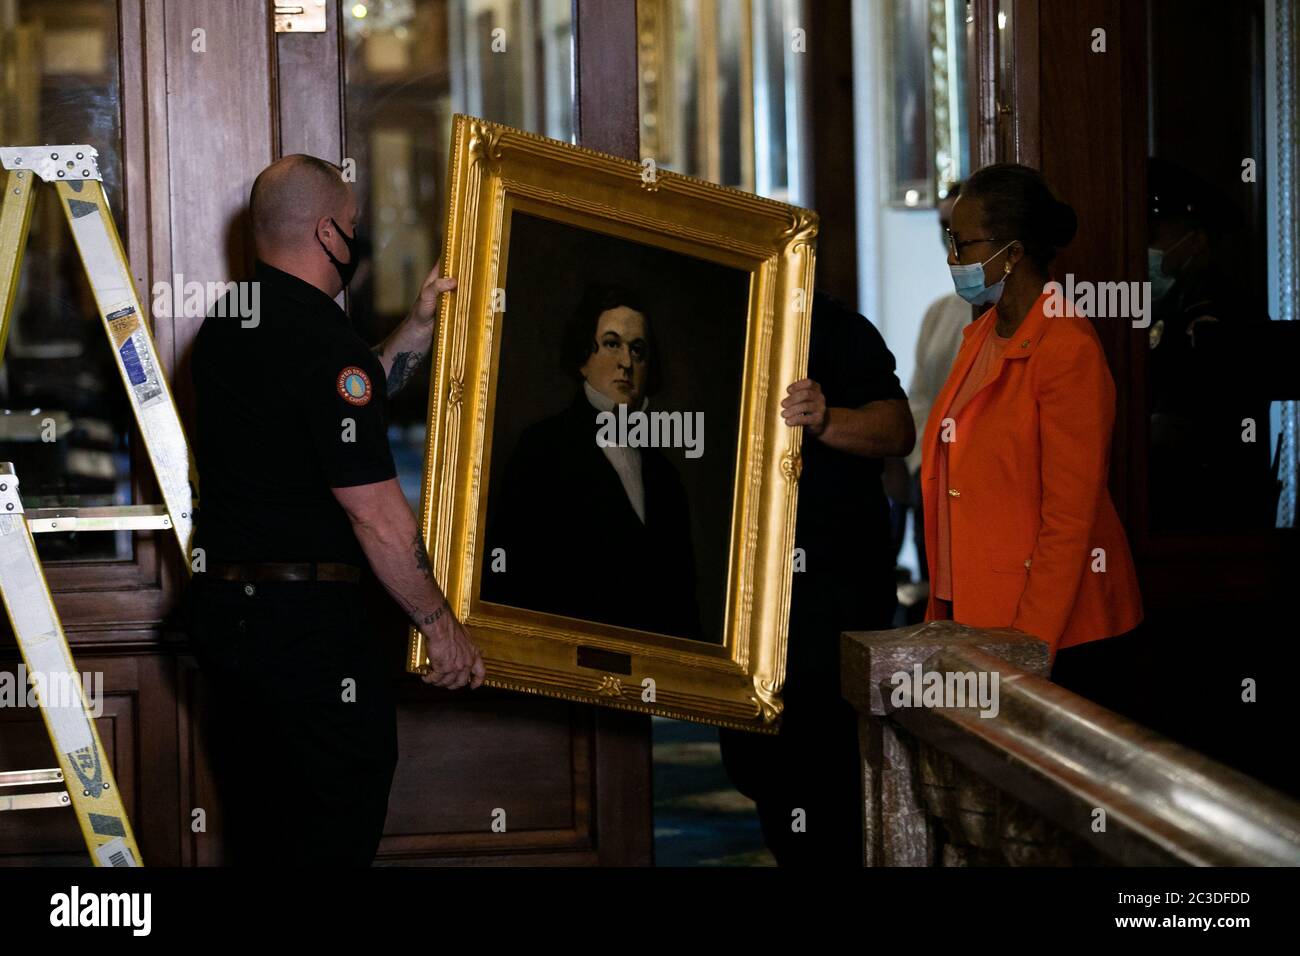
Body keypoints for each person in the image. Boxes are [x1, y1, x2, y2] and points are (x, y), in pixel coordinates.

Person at [186, 154, 484, 866]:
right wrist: (439, 623)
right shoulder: (324, 344)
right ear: (326, 234)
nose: (356, 240)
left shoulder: (227, 326)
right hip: (308, 639)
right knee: (331, 839)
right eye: (352, 227)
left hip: (228, 624)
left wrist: (415, 328)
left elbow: (328, 400)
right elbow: (377, 517)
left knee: (264, 839)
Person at [921, 162, 1143, 698]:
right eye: (951, 241)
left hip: (1059, 633)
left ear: (1013, 253)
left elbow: (1069, 516)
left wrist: (1031, 643)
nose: (953, 259)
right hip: (980, 614)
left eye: (964, 244)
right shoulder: (980, 334)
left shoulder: (1066, 347)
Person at [719, 289, 914, 866]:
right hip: (747, 604)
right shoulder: (713, 323)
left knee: (833, 778)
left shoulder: (840, 330)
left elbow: (898, 430)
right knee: (764, 771)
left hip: (835, 600)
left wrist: (827, 420)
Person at [481, 283, 702, 640]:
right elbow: (508, 579)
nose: (626, 363)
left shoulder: (665, 477)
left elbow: (684, 610)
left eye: (638, 350)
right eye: (612, 344)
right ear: (584, 358)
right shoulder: (542, 449)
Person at [903, 181, 970, 579]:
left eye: (958, 230)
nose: (950, 243)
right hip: (932, 479)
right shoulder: (939, 314)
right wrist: (919, 468)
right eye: (943, 228)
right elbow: (920, 397)